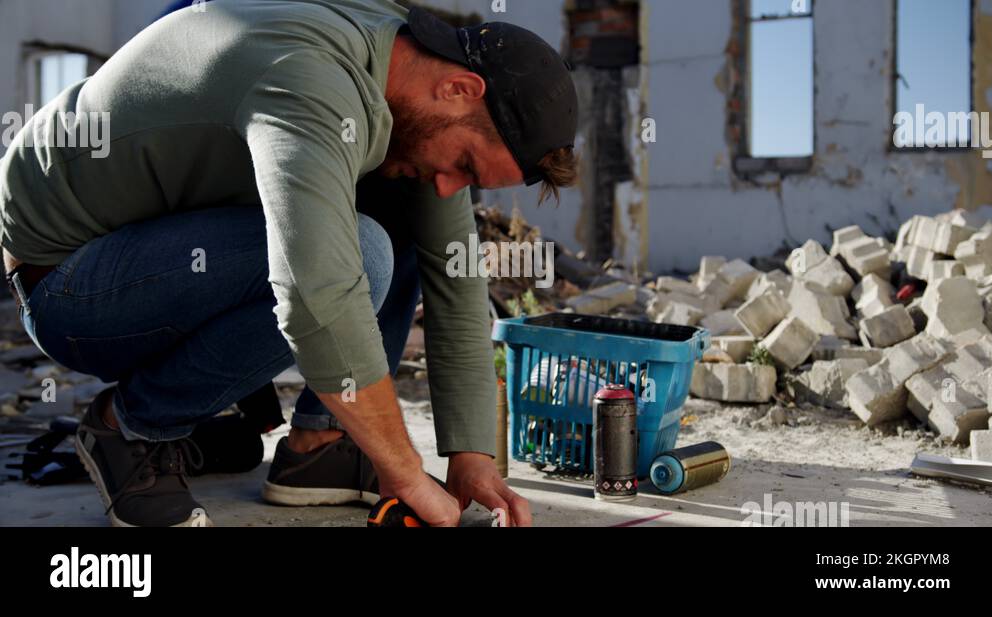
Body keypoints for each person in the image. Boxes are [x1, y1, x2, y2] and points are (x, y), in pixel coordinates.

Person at [0, 0, 577, 527]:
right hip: (65, 280)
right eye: (468, 166)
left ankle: (319, 447)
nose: (456, 189)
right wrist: (402, 472)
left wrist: (472, 458)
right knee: (363, 253)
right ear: (458, 88)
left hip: (158, 244)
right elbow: (315, 291)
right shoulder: (312, 80)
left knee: (409, 207)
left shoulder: (402, 72)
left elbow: (455, 283)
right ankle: (128, 428)